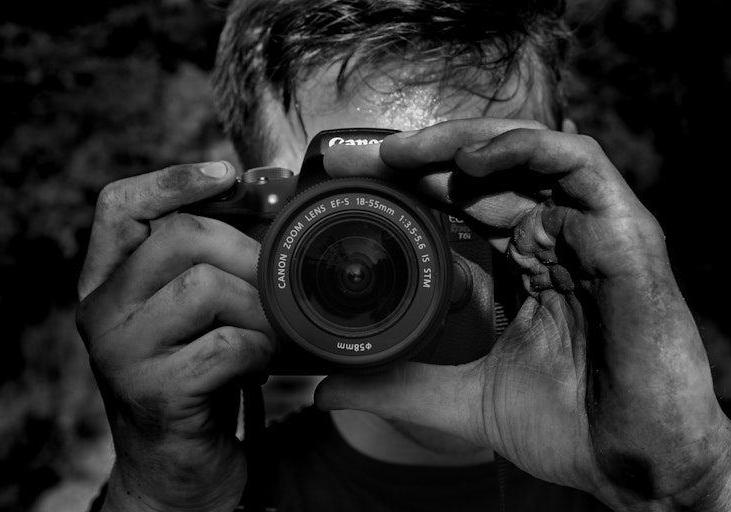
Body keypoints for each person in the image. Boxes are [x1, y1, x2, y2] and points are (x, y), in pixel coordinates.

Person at [75, 0, 731, 511]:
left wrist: (696, 488)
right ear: (256, 219)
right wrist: (163, 494)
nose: (428, 268)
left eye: (471, 189)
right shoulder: (225, 489)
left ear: (568, 171)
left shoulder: (677, 447)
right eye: (351, 212)